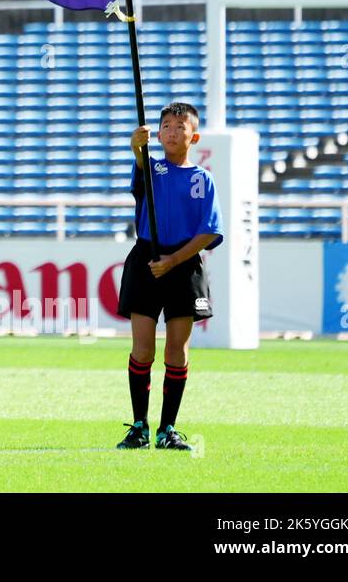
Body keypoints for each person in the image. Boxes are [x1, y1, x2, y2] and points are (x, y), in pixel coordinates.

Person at [115, 102, 223, 452]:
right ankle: (139, 426)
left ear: (194, 135)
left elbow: (209, 231)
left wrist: (174, 260)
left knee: (176, 351)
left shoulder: (202, 178)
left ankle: (168, 429)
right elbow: (141, 162)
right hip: (146, 259)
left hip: (184, 264)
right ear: (158, 134)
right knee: (142, 349)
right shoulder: (151, 167)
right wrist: (136, 145)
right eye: (166, 126)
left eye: (180, 125)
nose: (172, 131)